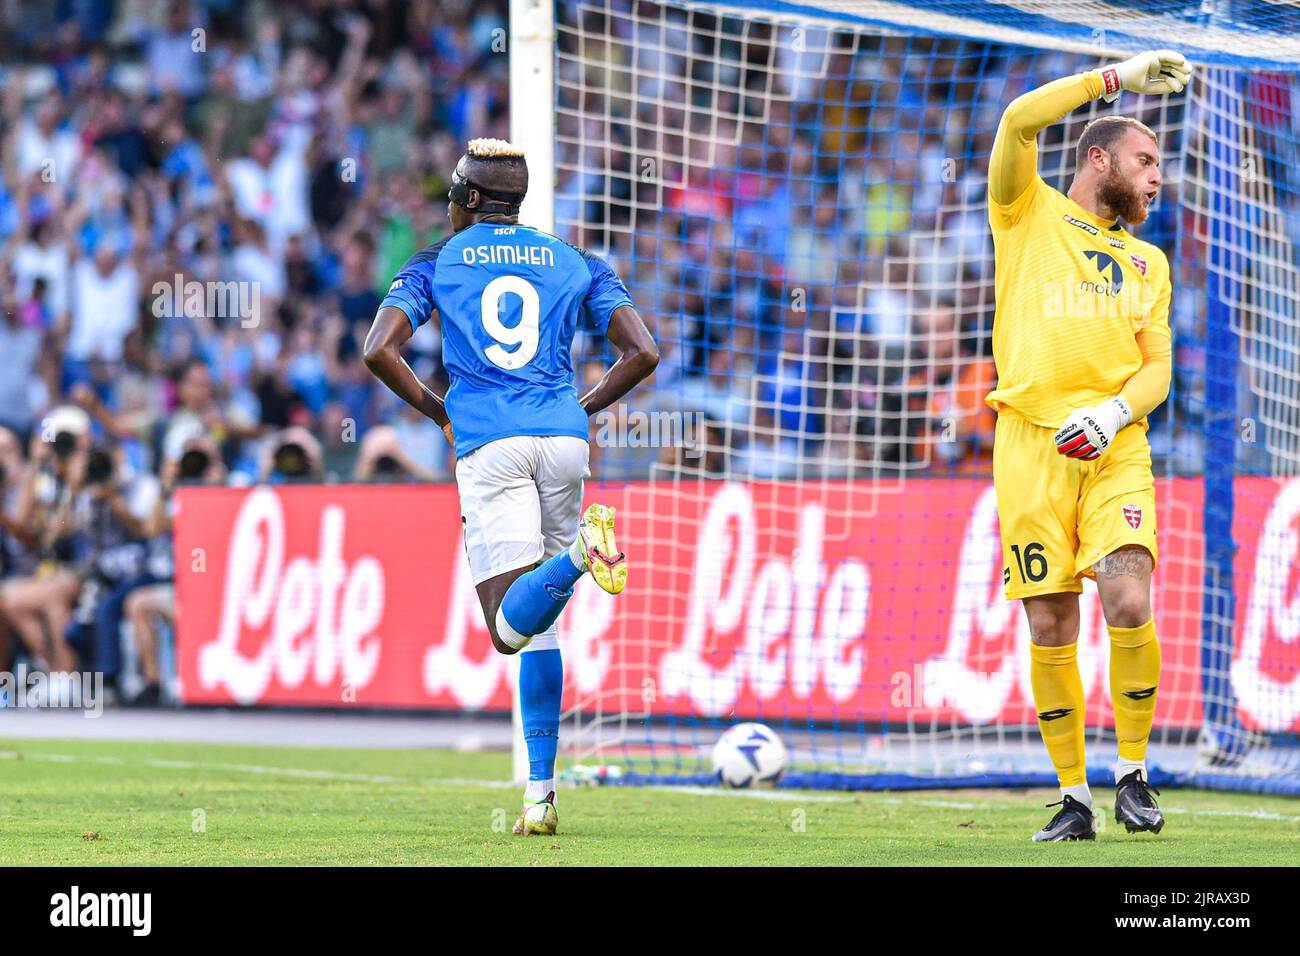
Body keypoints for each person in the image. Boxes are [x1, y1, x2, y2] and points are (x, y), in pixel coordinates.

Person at [363, 138, 657, 836]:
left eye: (450, 196)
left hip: (491, 442)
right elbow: (643, 350)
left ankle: (584, 555)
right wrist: (582, 409)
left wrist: (441, 412)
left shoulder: (438, 259)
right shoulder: (571, 258)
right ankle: (540, 799)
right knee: (543, 629)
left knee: (504, 630)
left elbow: (379, 349)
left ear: (467, 200)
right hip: (564, 439)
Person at [985, 51, 1189, 841]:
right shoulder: (1024, 209)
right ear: (1098, 158)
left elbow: (1159, 368)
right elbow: (1017, 121)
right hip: (1028, 445)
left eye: (1160, 167)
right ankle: (1075, 799)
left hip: (1114, 446)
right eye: (1145, 161)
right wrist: (1116, 78)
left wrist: (1110, 415)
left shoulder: (1150, 262)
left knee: (1128, 592)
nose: (1155, 178)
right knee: (1050, 623)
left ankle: (1133, 775)